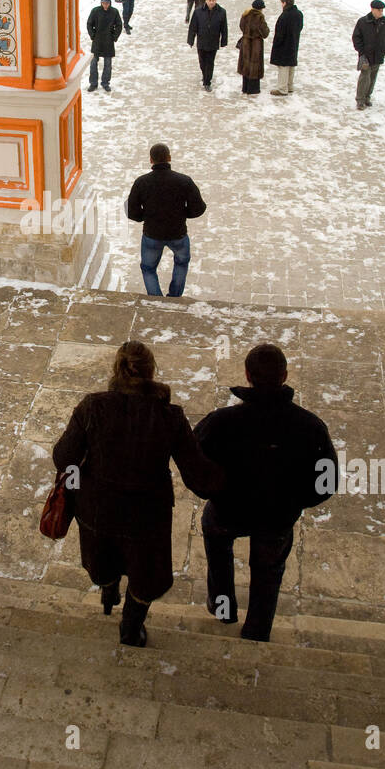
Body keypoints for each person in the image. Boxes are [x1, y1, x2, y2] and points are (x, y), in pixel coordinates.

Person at [52, 341, 224, 647]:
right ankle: (130, 628)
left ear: (116, 370)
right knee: (146, 574)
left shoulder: (92, 406)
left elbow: (64, 458)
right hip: (146, 516)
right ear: (151, 372)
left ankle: (108, 591)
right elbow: (197, 474)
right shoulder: (170, 416)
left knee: (103, 558)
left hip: (98, 510)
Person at [194, 343, 337, 641]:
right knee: (268, 573)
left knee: (216, 540)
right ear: (285, 376)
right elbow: (326, 482)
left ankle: (223, 609)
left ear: (247, 375)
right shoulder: (310, 427)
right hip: (277, 517)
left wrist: (216, 493)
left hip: (228, 510)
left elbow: (195, 466)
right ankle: (256, 632)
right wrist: (295, 502)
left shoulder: (220, 423)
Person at [125, 142, 206, 298]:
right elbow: (199, 208)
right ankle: (174, 298)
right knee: (181, 264)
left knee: (148, 268)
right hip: (178, 234)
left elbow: (131, 211)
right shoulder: (184, 181)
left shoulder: (141, 182)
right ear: (169, 158)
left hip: (152, 235)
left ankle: (156, 300)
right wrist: (183, 214)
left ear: (151, 160)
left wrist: (144, 217)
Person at [352, 0, 385, 110]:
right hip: (366, 55)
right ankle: (360, 99)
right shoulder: (363, 22)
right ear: (373, 9)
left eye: (382, 10)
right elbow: (356, 37)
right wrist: (361, 51)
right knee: (365, 77)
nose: (381, 12)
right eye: (379, 10)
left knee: (373, 78)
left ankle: (367, 97)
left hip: (378, 55)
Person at [187, 0, 228, 91]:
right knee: (202, 62)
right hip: (201, 41)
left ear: (216, 0)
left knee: (210, 62)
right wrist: (191, 40)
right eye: (209, 0)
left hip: (213, 41)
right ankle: (205, 75)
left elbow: (224, 28)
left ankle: (207, 82)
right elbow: (193, 27)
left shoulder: (221, 12)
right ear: (206, 0)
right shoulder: (198, 11)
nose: (211, 2)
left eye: (213, 0)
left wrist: (224, 41)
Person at [86, 0, 121, 93]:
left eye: (107, 3)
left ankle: (105, 83)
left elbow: (119, 25)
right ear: (101, 3)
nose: (105, 5)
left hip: (108, 42)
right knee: (93, 63)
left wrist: (114, 36)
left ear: (110, 3)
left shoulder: (114, 12)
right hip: (97, 41)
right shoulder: (95, 11)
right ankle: (93, 83)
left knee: (108, 64)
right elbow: (89, 24)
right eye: (103, 3)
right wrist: (92, 35)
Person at [269, 0, 303, 96]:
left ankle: (282, 88)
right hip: (294, 42)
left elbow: (280, 32)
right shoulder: (299, 13)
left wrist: (277, 43)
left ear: (284, 3)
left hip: (284, 44)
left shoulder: (285, 16)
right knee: (291, 65)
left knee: (283, 66)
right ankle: (290, 86)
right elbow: (300, 27)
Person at [237, 0, 268, 95]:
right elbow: (265, 33)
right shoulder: (260, 17)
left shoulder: (245, 14)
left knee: (246, 64)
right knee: (254, 65)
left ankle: (245, 87)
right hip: (256, 44)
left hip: (245, 42)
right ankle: (253, 89)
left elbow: (241, 26)